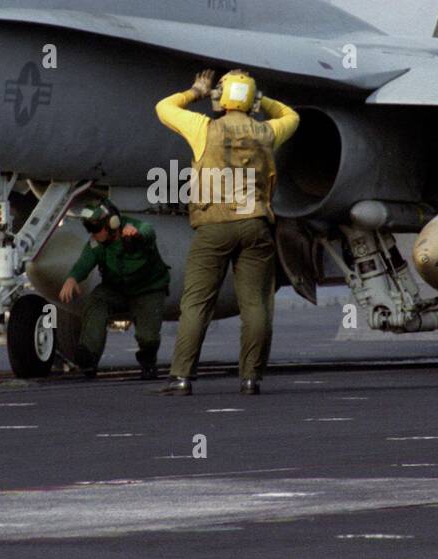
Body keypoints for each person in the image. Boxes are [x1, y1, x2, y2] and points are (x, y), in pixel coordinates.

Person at [154, 68, 299, 396]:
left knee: (196, 304)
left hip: (213, 227)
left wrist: (195, 91)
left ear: (221, 97)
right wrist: (263, 102)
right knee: (256, 305)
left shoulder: (203, 128)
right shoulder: (267, 132)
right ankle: (250, 378)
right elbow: (292, 116)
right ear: (250, 100)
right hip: (255, 225)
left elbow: (164, 108)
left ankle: (182, 377)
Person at [58, 199, 170, 380]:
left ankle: (148, 362)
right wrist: (72, 278)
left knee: (148, 338)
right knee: (96, 302)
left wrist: (137, 234)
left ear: (112, 224)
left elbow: (148, 230)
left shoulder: (134, 229)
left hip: (148, 288)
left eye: (95, 229)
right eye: (89, 230)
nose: (93, 235)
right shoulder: (97, 243)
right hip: (115, 289)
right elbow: (85, 262)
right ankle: (88, 357)